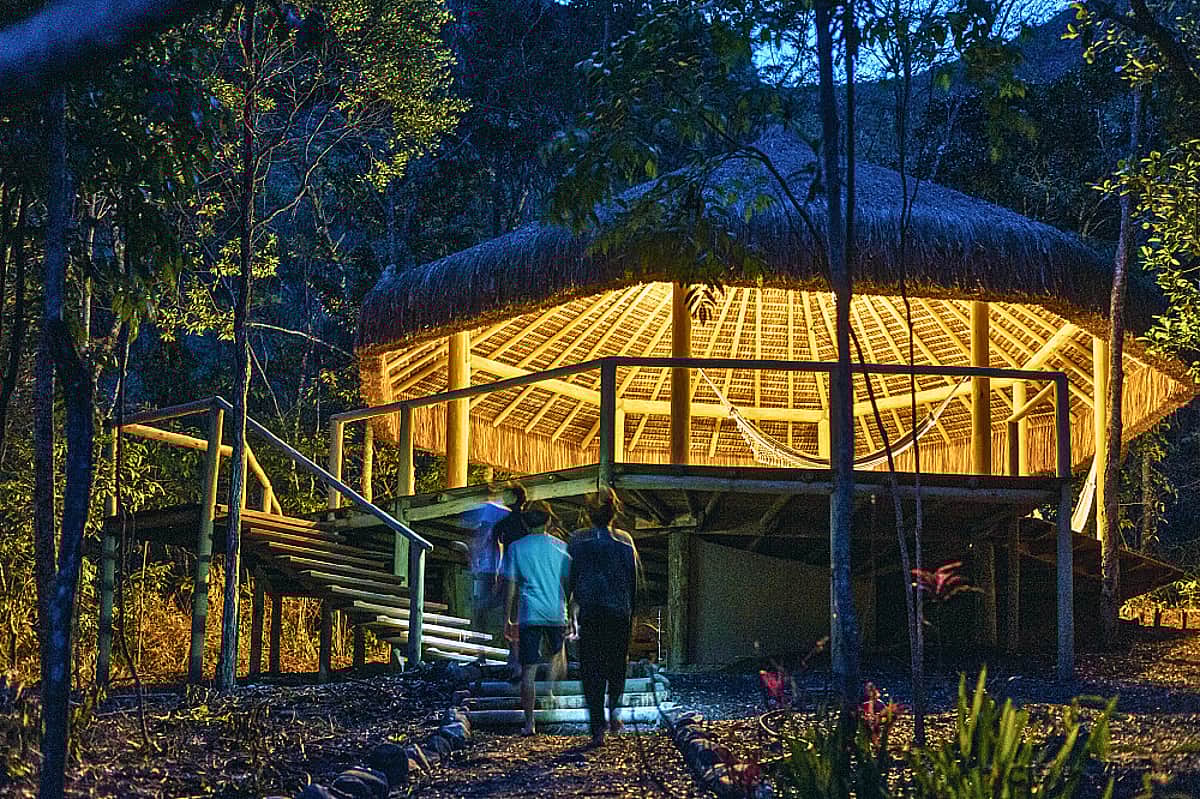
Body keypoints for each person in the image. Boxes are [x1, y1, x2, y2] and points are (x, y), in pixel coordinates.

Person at [568, 489, 638, 747]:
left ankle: (597, 727)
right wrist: (633, 612)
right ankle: (615, 713)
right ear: (614, 512)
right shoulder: (625, 541)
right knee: (616, 665)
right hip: (619, 611)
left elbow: (570, 579)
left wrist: (569, 609)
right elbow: (633, 581)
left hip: (591, 611)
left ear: (588, 514)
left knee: (591, 669)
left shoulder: (577, 541)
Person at [502, 501, 570, 736]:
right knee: (557, 655)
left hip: (530, 612)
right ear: (549, 521)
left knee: (528, 668)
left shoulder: (516, 548)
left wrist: (508, 618)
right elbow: (567, 583)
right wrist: (572, 612)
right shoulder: (561, 547)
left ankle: (529, 722)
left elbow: (510, 585)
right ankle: (550, 693)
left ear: (524, 522)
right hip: (556, 611)